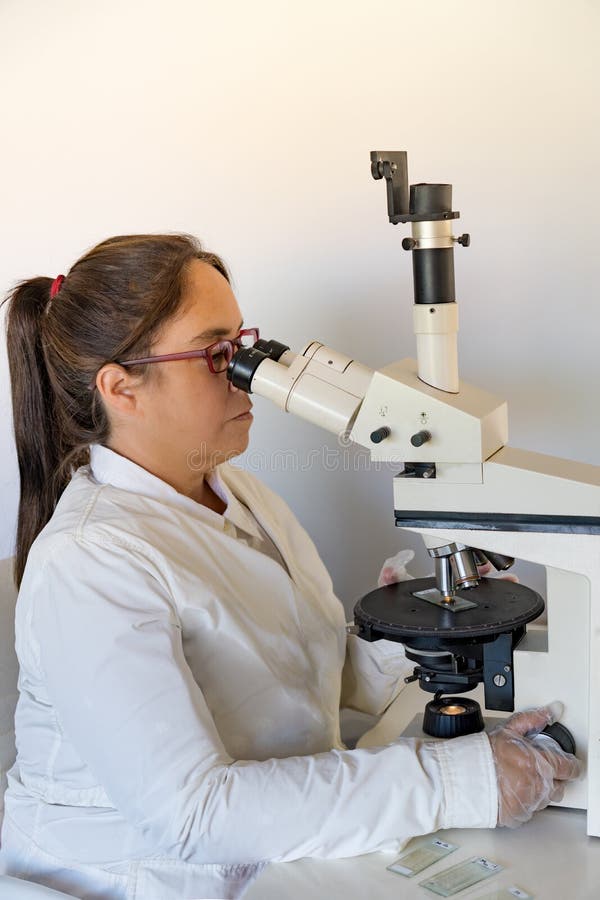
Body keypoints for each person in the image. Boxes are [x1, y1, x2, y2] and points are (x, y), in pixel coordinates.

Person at [0, 234, 580, 900]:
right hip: (144, 881)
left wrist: (421, 632)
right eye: (218, 354)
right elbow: (194, 814)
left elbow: (297, 689)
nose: (248, 370)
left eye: (245, 342)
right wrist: (466, 782)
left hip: (279, 861)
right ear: (121, 388)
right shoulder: (89, 563)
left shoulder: (243, 498)